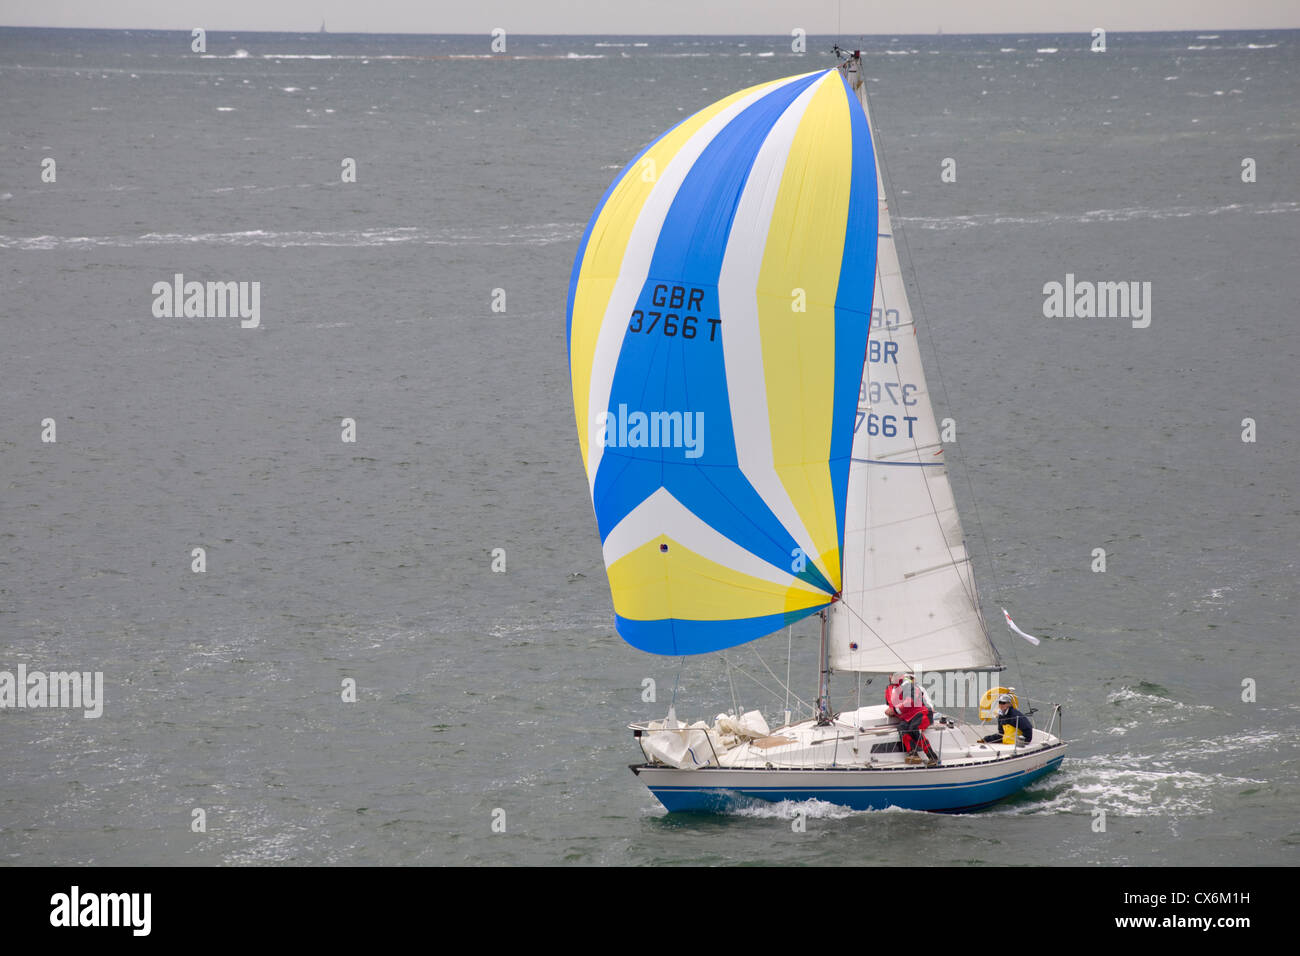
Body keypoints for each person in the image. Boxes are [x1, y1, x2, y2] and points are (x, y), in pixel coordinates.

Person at [892, 673, 939, 766]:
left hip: (923, 713)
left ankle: (932, 757)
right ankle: (913, 754)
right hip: (910, 716)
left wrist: (894, 710)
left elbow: (910, 702)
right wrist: (894, 711)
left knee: (914, 729)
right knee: (902, 728)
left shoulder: (915, 688)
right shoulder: (897, 690)